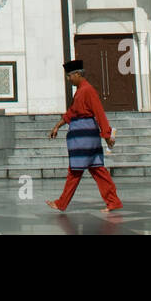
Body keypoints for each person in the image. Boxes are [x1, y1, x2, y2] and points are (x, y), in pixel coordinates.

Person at [47, 58, 123, 212]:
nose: (68, 79)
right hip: (86, 136)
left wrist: (107, 135)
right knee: (97, 169)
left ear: (76, 74)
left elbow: (99, 112)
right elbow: (71, 113)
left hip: (84, 137)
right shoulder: (81, 91)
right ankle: (113, 201)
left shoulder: (87, 91)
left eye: (69, 76)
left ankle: (62, 203)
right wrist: (57, 126)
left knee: (75, 170)